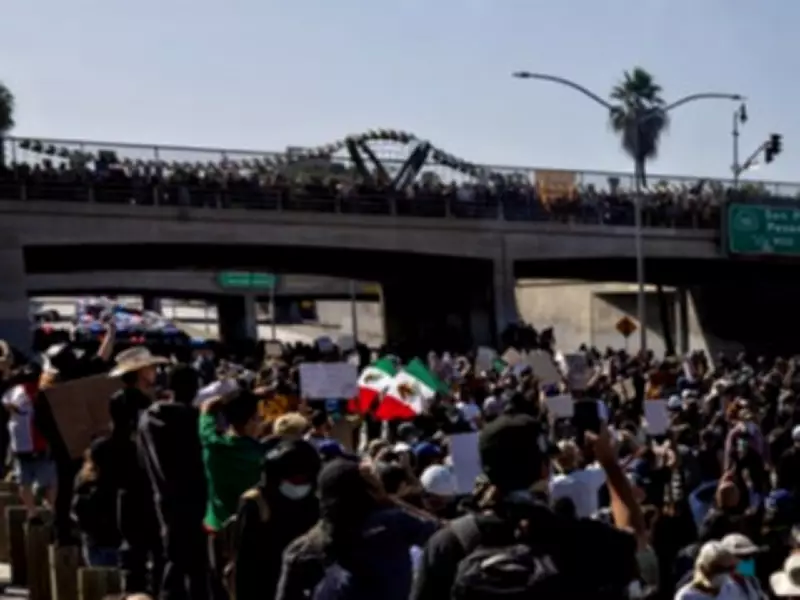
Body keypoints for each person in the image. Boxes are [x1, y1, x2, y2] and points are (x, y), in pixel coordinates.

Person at [411, 414, 644, 600]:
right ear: (544, 470)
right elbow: (638, 540)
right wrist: (610, 464)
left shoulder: (449, 544)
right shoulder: (583, 538)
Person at [276, 457, 439, 600]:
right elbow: (447, 534)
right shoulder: (395, 524)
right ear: (366, 489)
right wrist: (388, 499)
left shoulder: (302, 550)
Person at [137, 363, 208, 600]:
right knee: (197, 569)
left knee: (172, 561)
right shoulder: (195, 421)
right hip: (197, 500)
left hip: (161, 499)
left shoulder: (148, 419)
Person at [110, 347, 170, 596]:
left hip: (132, 478)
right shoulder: (135, 401)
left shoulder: (133, 398)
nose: (155, 372)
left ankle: (139, 589)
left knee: (142, 543)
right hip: (138, 478)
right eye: (150, 368)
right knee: (147, 543)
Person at [232, 438, 321, 600]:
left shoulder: (314, 503)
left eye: (303, 479)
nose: (299, 485)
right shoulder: (257, 505)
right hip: (265, 588)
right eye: (294, 480)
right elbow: (244, 568)